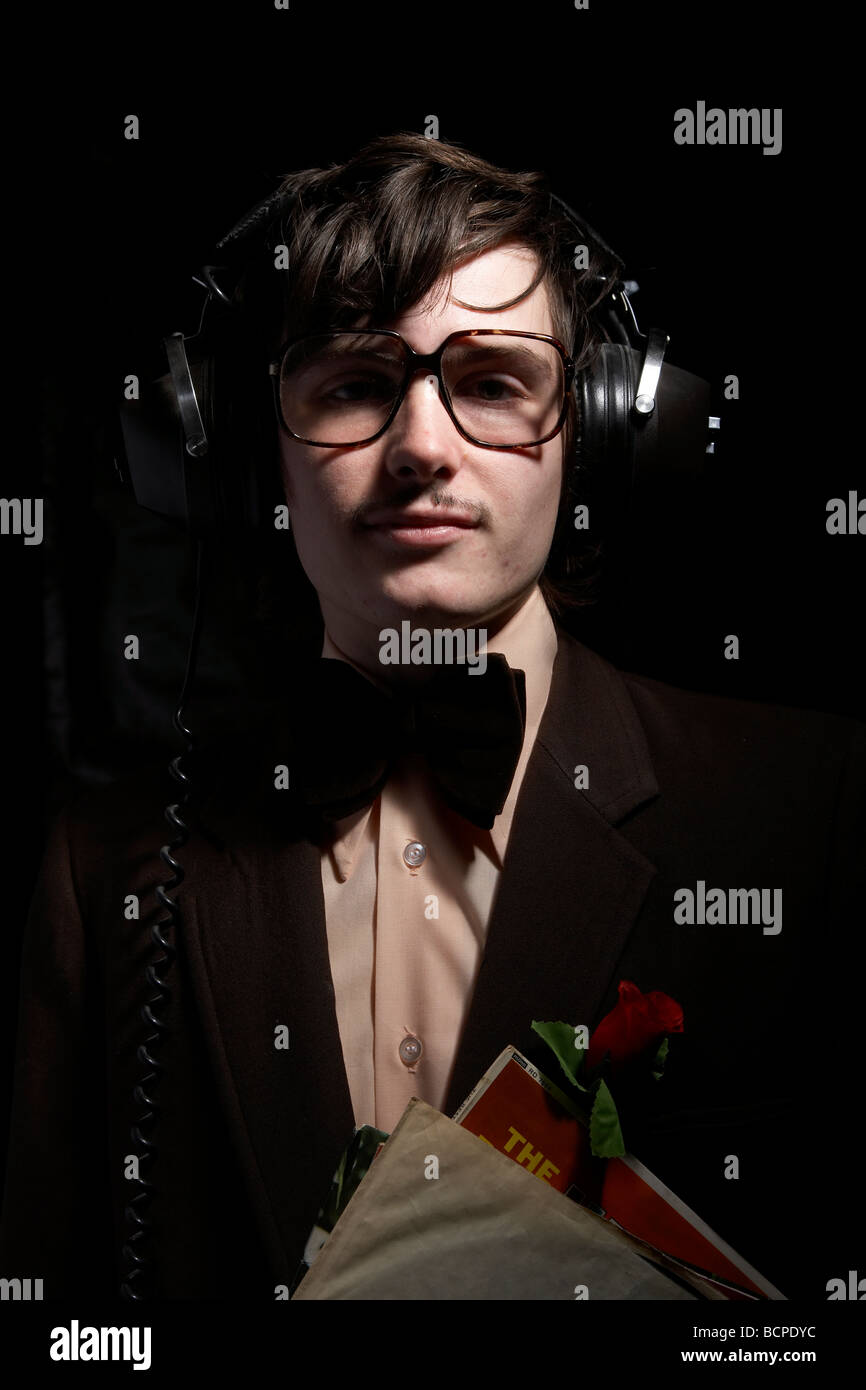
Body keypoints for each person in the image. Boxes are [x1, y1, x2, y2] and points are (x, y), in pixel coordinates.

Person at [1, 133, 863, 1303]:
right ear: (253, 456)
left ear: (597, 434)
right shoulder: (101, 864)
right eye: (353, 382)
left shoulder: (812, 807)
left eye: (492, 382)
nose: (418, 446)